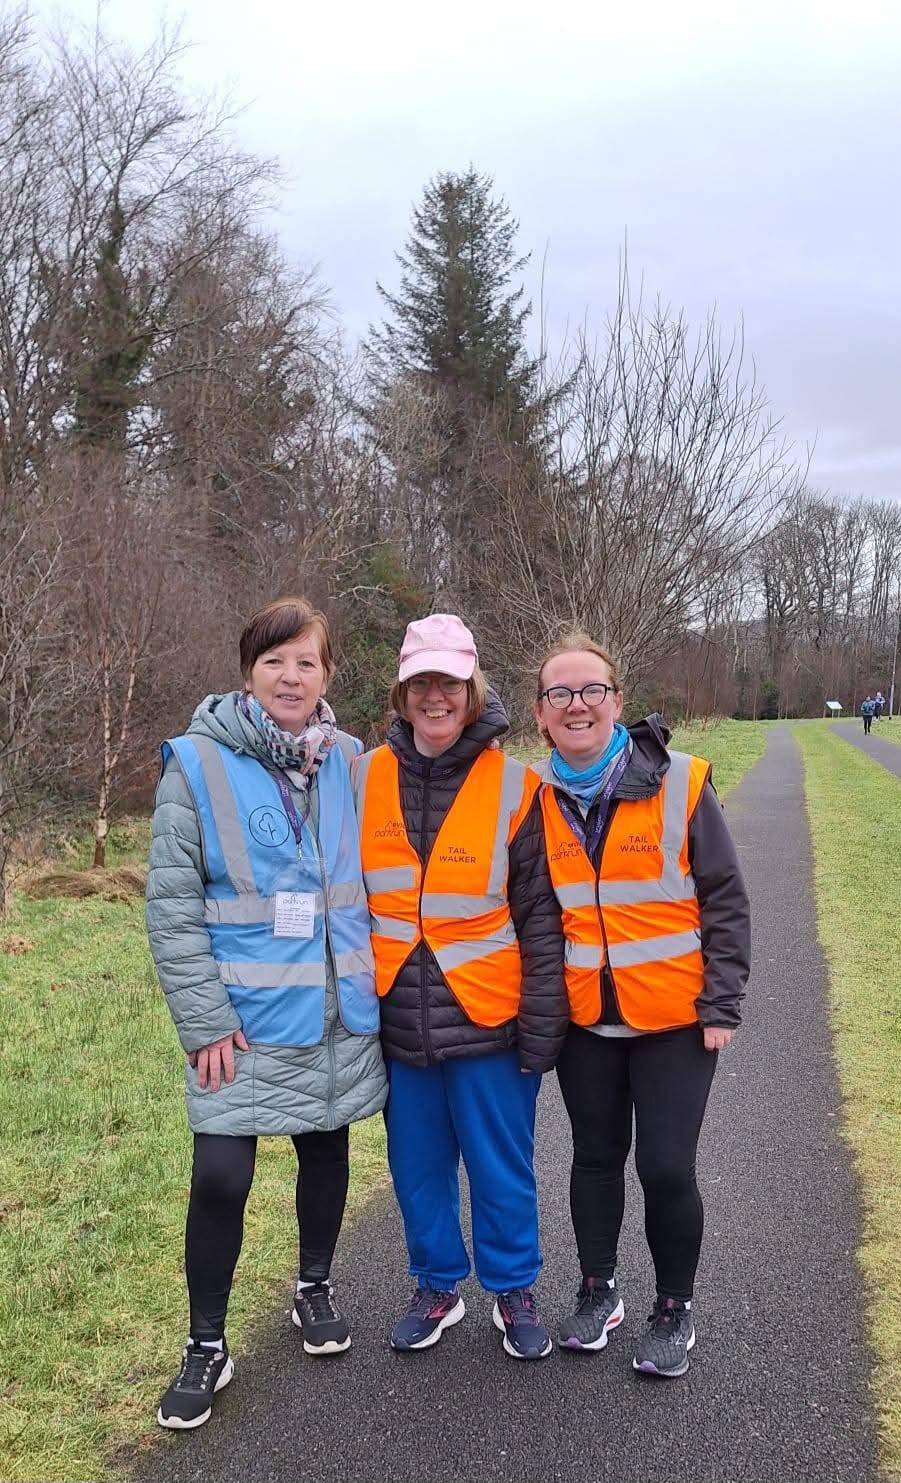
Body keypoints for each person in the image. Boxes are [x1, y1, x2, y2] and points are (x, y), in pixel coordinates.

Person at [146, 597, 386, 1429]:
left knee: (326, 1152)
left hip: (332, 1011)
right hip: (238, 1023)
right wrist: (203, 1018)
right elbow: (171, 907)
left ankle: (313, 1286)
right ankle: (206, 1342)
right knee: (221, 1177)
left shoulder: (351, 761)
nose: (290, 676)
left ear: (327, 673)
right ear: (248, 672)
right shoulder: (196, 763)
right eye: (273, 661)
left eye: (306, 661)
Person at [533, 634, 750, 1378]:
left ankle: (673, 1307)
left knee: (664, 1166)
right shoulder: (534, 799)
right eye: (559, 694)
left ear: (617, 701)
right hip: (585, 1024)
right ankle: (599, 1291)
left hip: (675, 1021)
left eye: (591, 690)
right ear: (540, 714)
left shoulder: (682, 782)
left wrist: (722, 1002)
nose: (577, 705)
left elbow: (725, 898)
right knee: (594, 1159)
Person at [352, 614, 567, 1360]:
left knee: (500, 1170)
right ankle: (437, 1285)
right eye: (421, 682)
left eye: (448, 681)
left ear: (472, 688)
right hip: (397, 1021)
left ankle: (514, 1290)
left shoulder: (516, 785)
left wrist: (541, 1027)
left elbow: (541, 918)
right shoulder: (363, 776)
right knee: (416, 1170)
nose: (434, 696)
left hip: (489, 1022)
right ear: (401, 692)